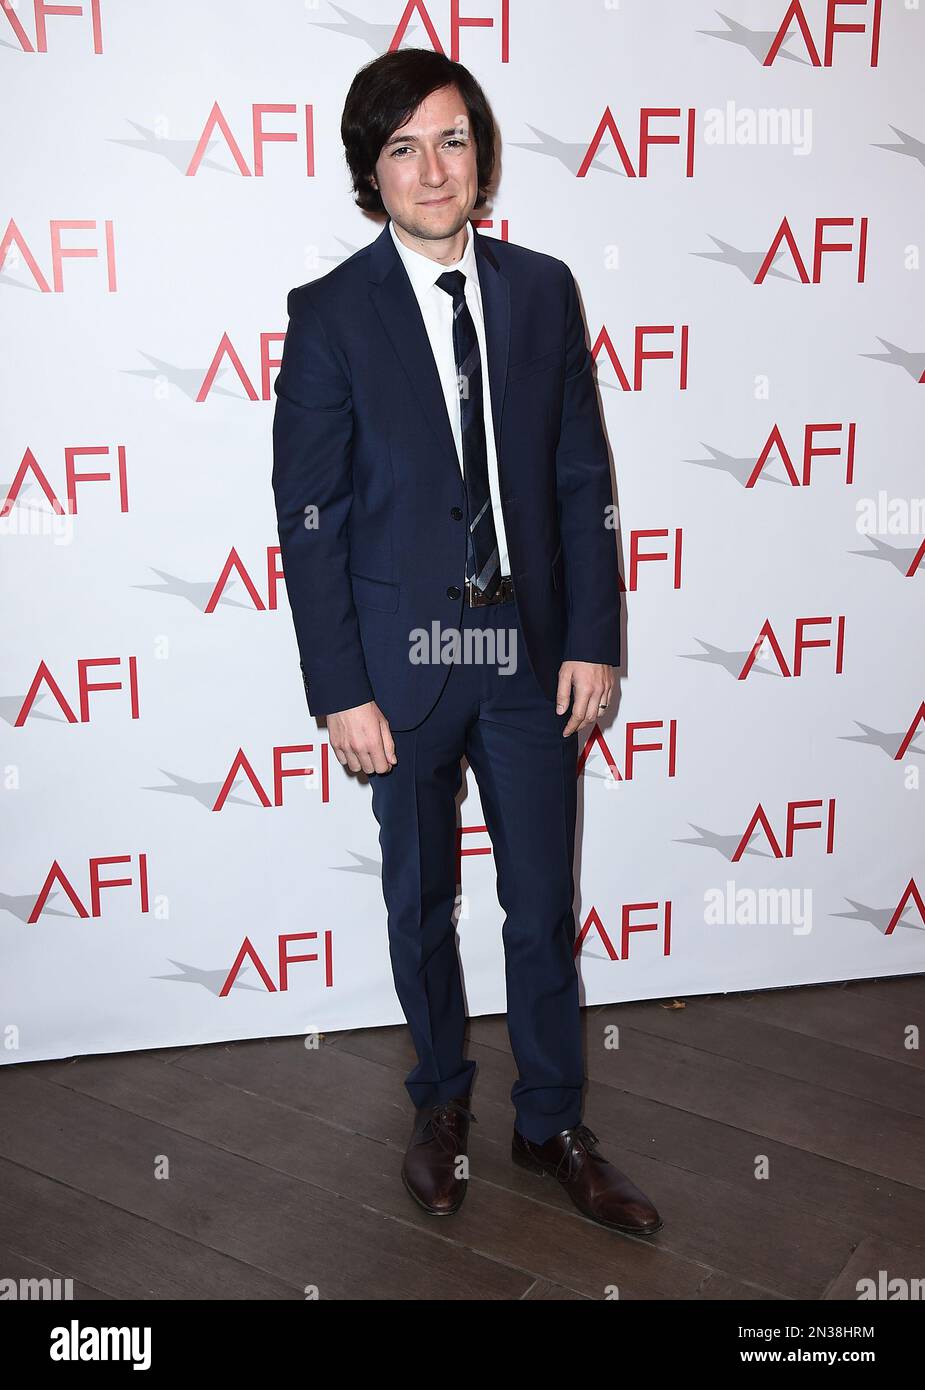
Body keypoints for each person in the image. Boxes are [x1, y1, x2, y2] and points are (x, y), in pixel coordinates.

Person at [272, 47, 661, 1237]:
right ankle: (440, 1102)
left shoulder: (542, 290)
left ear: (480, 153)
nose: (432, 167)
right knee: (420, 899)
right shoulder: (331, 313)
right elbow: (310, 517)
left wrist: (592, 636)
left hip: (531, 658)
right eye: (402, 147)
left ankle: (550, 1122)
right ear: (369, 172)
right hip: (403, 665)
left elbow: (579, 470)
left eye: (450, 138)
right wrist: (341, 687)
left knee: (541, 900)